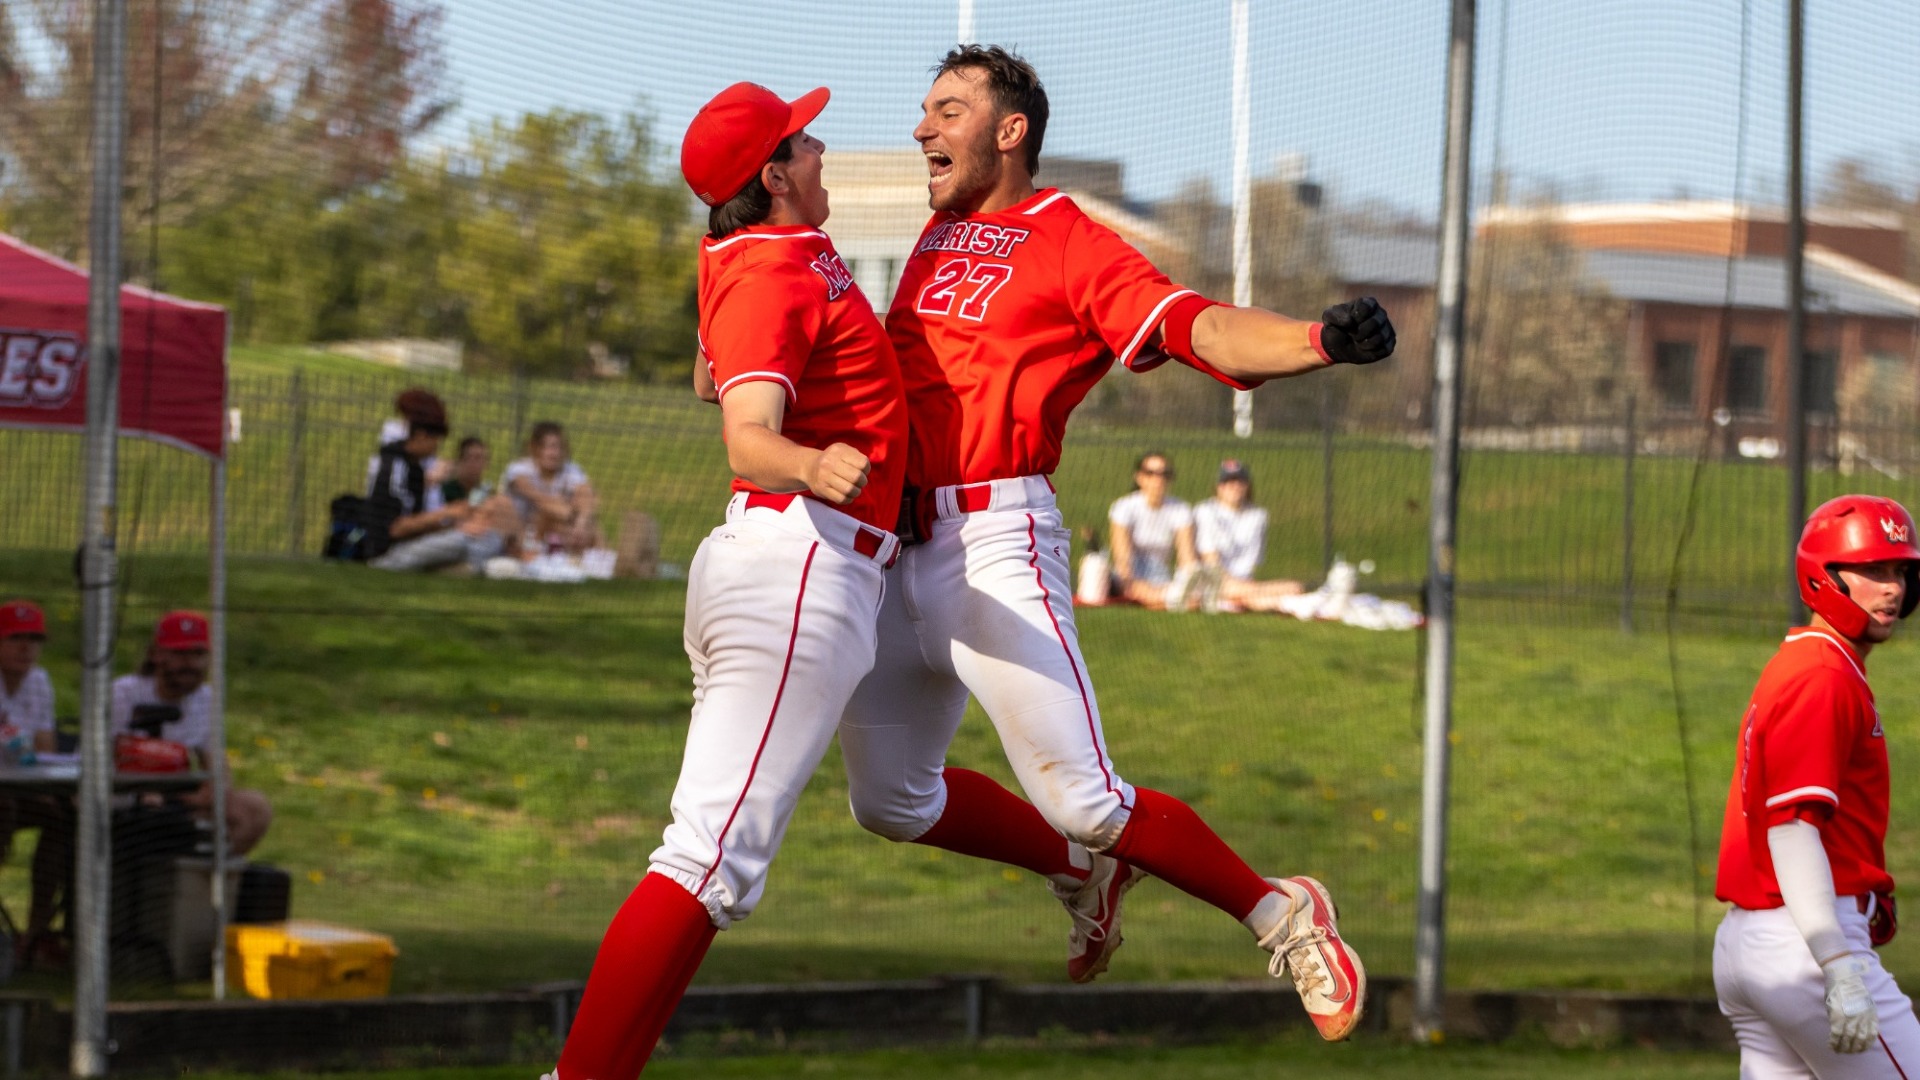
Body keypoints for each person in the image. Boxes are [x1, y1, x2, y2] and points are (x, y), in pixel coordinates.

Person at [836, 45, 1393, 1042]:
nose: (925, 127)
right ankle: (1078, 871)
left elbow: (1200, 330)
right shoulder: (939, 230)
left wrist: (1318, 341)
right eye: (925, 108)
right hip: (898, 547)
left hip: (993, 541)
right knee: (886, 800)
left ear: (1012, 132)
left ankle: (1284, 913)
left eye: (949, 109)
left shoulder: (1069, 242)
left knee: (1087, 797)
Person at [549, 80, 908, 1080]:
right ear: (774, 174)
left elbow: (719, 369)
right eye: (805, 138)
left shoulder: (756, 254)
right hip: (796, 557)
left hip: (794, 565)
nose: (823, 143)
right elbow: (745, 434)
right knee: (704, 857)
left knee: (713, 864)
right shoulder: (766, 275)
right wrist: (809, 459)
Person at [1714, 494, 1920, 1077]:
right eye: (1873, 570)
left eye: (1901, 570)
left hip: (1756, 939)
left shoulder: (1804, 662)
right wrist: (1837, 962)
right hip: (1804, 942)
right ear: (1825, 577)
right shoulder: (1825, 676)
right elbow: (1793, 830)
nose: (1893, 588)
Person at [109, 611, 273, 856]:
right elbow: (114, 754)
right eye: (179, 654)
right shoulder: (123, 693)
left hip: (177, 799)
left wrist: (214, 792)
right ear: (155, 655)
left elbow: (216, 762)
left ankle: (204, 885)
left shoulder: (206, 698)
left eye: (198, 654)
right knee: (149, 812)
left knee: (254, 808)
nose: (190, 664)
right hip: (120, 796)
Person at [365, 392, 510, 572]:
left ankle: (462, 567)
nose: (436, 448)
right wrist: (447, 512)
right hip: (390, 552)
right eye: (435, 441)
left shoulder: (414, 466)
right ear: (420, 436)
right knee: (460, 541)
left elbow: (420, 521)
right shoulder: (392, 467)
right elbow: (396, 529)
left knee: (489, 537)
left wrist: (457, 520)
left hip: (416, 543)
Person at [0, 600, 67, 967]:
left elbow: (46, 750)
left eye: (34, 639)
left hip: (20, 787)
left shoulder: (39, 681)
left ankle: (36, 930)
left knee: (62, 817)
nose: (27, 648)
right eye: (15, 638)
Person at [1194, 459, 1304, 612]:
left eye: (1240, 482)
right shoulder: (1205, 511)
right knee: (1284, 590)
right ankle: (1292, 604)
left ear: (1247, 485)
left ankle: (1283, 603)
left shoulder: (1258, 516)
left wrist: (1244, 587)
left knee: (1294, 587)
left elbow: (1250, 563)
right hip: (1212, 582)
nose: (1234, 487)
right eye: (1228, 482)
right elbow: (1211, 564)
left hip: (1245, 585)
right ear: (1219, 486)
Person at [1107, 451, 1205, 610]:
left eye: (1164, 474)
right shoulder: (1124, 507)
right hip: (1131, 576)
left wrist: (1188, 581)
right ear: (1139, 477)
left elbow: (1187, 557)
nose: (1158, 479)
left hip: (1162, 577)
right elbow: (1122, 558)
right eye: (1150, 473)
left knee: (1193, 596)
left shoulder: (1181, 510)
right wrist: (1133, 584)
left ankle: (1163, 601)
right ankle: (1169, 602)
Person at [503, 422, 601, 556]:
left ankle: (609, 566)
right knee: (546, 513)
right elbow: (539, 499)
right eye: (550, 447)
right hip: (520, 533)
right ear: (536, 448)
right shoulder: (518, 469)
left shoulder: (570, 469)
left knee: (592, 526)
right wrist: (569, 513)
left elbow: (587, 495)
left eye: (559, 447)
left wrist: (581, 521)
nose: (556, 453)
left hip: (559, 528)